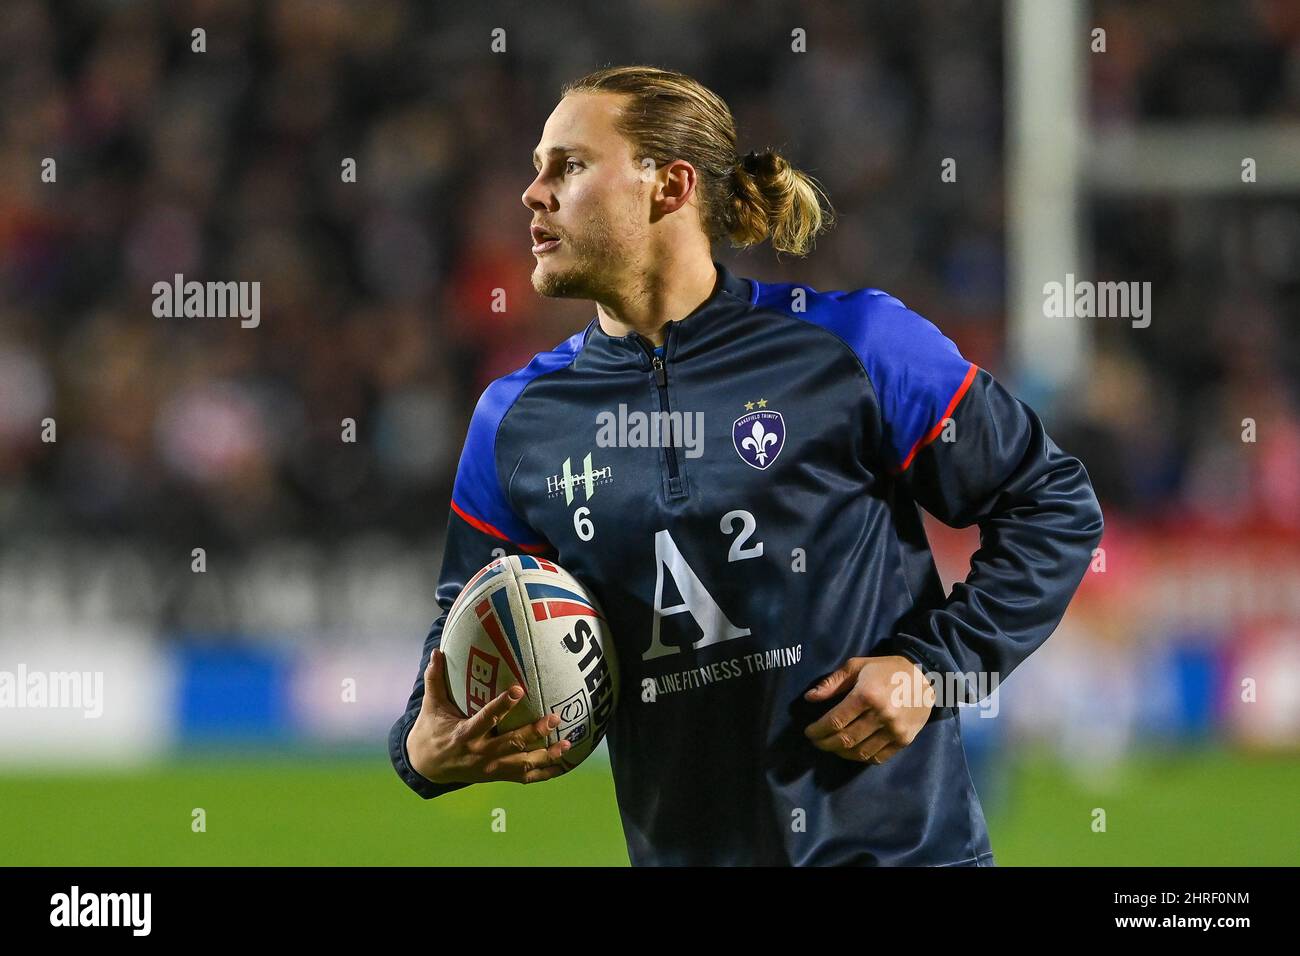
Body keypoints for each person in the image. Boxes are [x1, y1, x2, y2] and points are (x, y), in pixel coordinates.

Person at [388, 65, 1104, 866]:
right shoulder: (513, 421)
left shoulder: (854, 348)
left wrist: (932, 670)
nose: (533, 193)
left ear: (669, 186)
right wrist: (420, 745)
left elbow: (1050, 504)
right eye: (536, 166)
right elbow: (465, 617)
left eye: (570, 165)